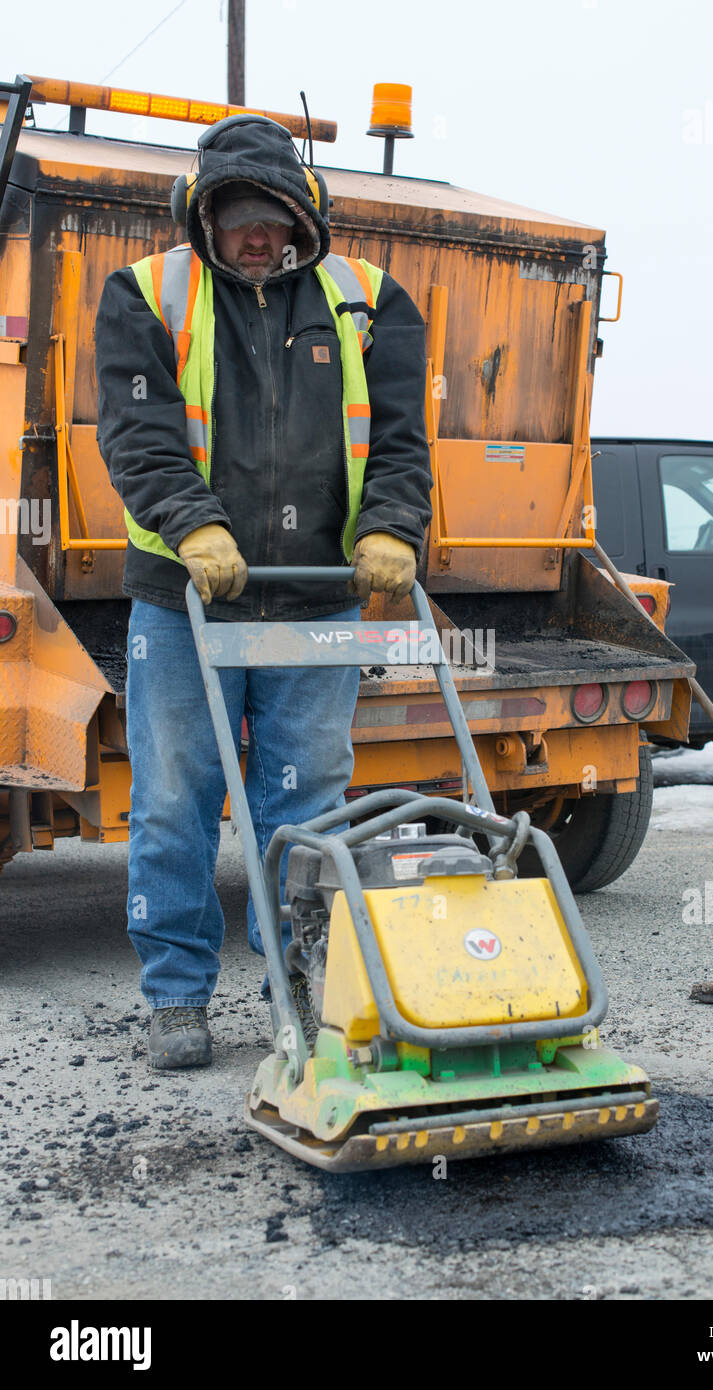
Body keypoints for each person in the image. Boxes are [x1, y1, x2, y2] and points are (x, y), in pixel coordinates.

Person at [95, 114, 432, 1069]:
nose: (254, 233)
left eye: (270, 214)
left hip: (320, 598)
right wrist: (192, 523)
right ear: (201, 214)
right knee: (174, 798)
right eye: (235, 214)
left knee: (307, 806)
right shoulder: (149, 293)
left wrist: (391, 529)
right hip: (183, 597)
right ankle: (175, 998)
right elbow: (136, 428)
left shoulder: (369, 300)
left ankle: (301, 984)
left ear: (300, 213)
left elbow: (404, 439)